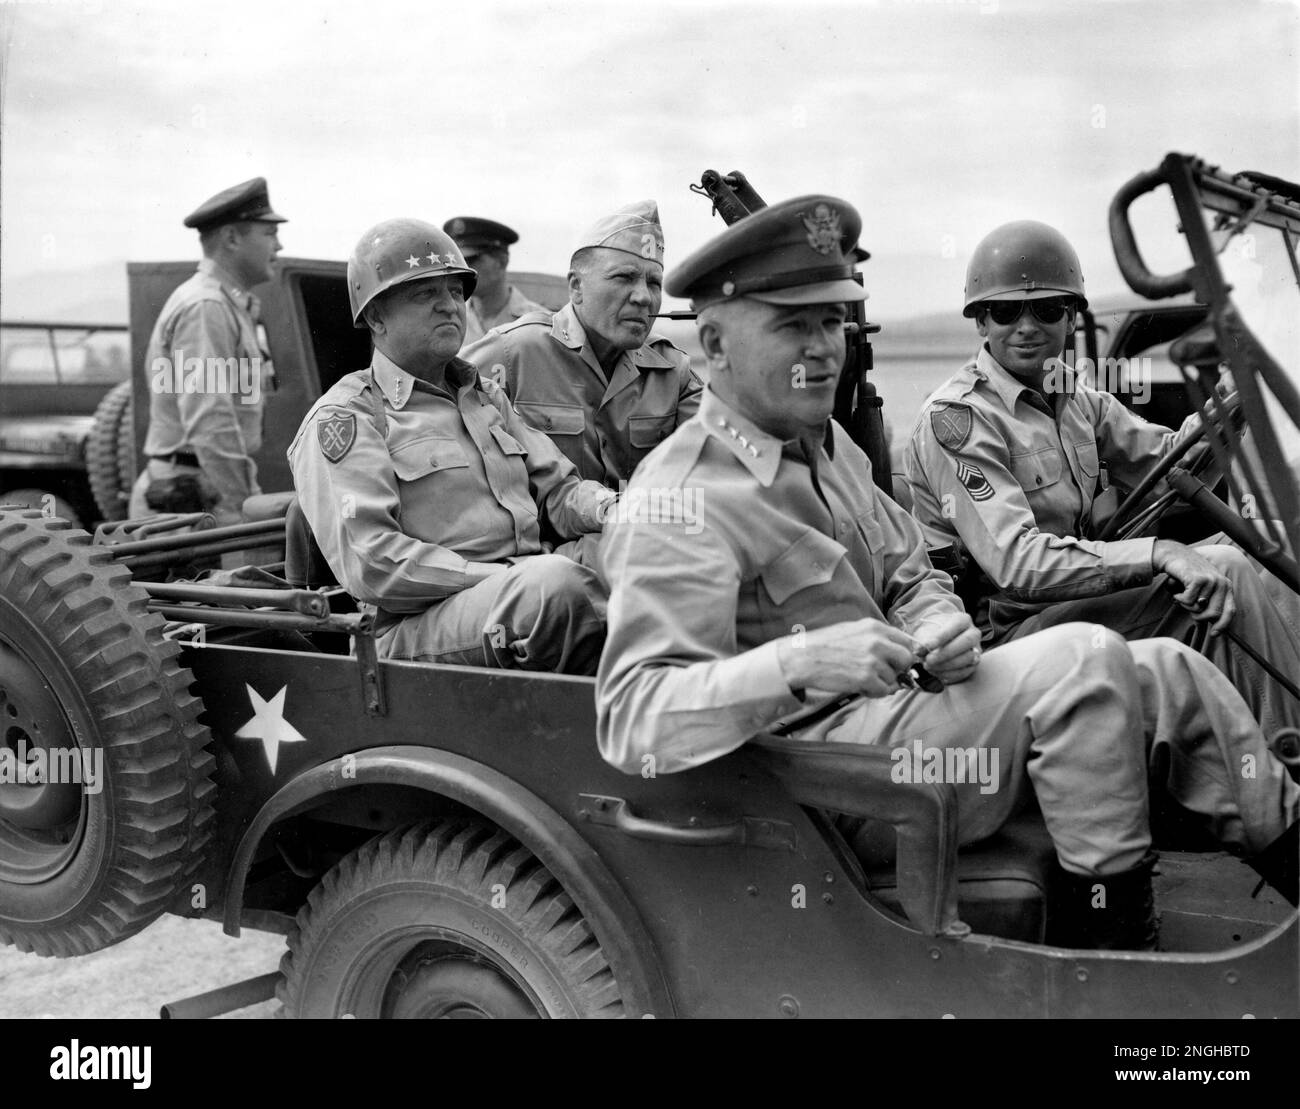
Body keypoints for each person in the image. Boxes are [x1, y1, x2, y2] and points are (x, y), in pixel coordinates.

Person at [595, 195, 1298, 950]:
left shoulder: (826, 447)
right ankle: (1114, 957)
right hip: (822, 780)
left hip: (900, 718)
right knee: (1083, 660)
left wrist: (935, 619)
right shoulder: (681, 496)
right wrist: (800, 660)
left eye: (833, 321)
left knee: (1167, 669)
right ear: (714, 343)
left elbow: (910, 570)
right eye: (793, 324)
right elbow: (633, 718)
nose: (825, 347)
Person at [904, 220, 1300, 749]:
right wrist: (1160, 553)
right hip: (1004, 632)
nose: (1026, 326)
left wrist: (1235, 392)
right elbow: (1020, 567)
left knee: (1264, 542)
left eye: (1047, 310)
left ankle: (1269, 737)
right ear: (981, 323)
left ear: (1071, 318)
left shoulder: (1073, 396)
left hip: (1073, 604)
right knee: (1221, 566)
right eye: (1005, 311)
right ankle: (1285, 762)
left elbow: (1166, 462)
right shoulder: (958, 420)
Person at [288, 218, 614, 674]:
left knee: (645, 547)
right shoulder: (349, 417)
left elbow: (558, 490)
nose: (450, 307)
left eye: (456, 293)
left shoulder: (483, 395)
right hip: (414, 627)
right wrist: (502, 577)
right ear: (376, 317)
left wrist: (614, 511)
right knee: (553, 589)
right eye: (425, 294)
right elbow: (373, 562)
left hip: (516, 590)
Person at [464, 200, 702, 493]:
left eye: (653, 283)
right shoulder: (512, 352)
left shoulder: (674, 373)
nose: (643, 297)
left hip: (636, 532)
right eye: (624, 277)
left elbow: (719, 464)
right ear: (577, 287)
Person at [128, 177, 285, 524]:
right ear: (231, 238)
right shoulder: (207, 307)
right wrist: (243, 503)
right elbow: (209, 419)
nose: (279, 246)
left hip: (202, 488)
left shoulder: (225, 304)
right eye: (269, 234)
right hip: (192, 498)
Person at [442, 216, 546, 346]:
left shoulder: (539, 322)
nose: (465, 269)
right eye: (460, 262)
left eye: (471, 260)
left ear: (502, 261)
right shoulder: (449, 319)